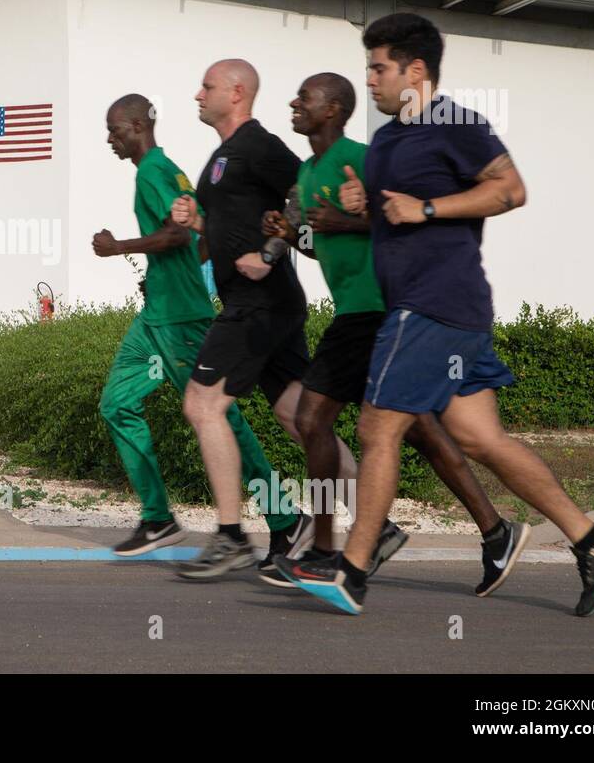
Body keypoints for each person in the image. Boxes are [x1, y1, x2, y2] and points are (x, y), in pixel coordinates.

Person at [276, 13, 594, 616]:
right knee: (479, 436)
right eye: (369, 67)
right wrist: (369, 208)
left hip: (434, 302)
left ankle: (353, 571)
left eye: (379, 67)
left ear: (416, 71)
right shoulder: (387, 140)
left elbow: (511, 190)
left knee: (378, 428)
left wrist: (430, 208)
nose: (370, 79)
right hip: (434, 308)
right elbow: (388, 216)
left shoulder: (457, 125)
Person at [258, 72, 521, 594]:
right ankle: (494, 532)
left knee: (312, 417)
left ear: (333, 109)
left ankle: (327, 551)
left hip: (378, 309)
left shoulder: (362, 156)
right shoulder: (308, 170)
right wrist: (295, 234)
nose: (293, 102)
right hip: (359, 310)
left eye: (304, 98)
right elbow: (323, 241)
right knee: (420, 429)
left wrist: (347, 220)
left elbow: (396, 221)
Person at [92, 93, 299, 556]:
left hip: (181, 318)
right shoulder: (169, 170)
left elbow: (178, 232)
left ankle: (284, 518)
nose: (110, 139)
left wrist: (118, 246)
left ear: (138, 127)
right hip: (156, 316)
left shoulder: (152, 172)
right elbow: (195, 239)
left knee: (217, 416)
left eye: (115, 130)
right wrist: (170, 272)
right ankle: (158, 518)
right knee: (117, 404)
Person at [170, 59, 315, 580]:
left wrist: (274, 250)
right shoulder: (221, 156)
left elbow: (307, 191)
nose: (197, 94)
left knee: (202, 403)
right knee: (301, 418)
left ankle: (231, 537)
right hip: (259, 304)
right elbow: (224, 229)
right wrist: (197, 221)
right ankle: (379, 523)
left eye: (205, 86)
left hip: (260, 303)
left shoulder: (259, 144)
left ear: (236, 92)